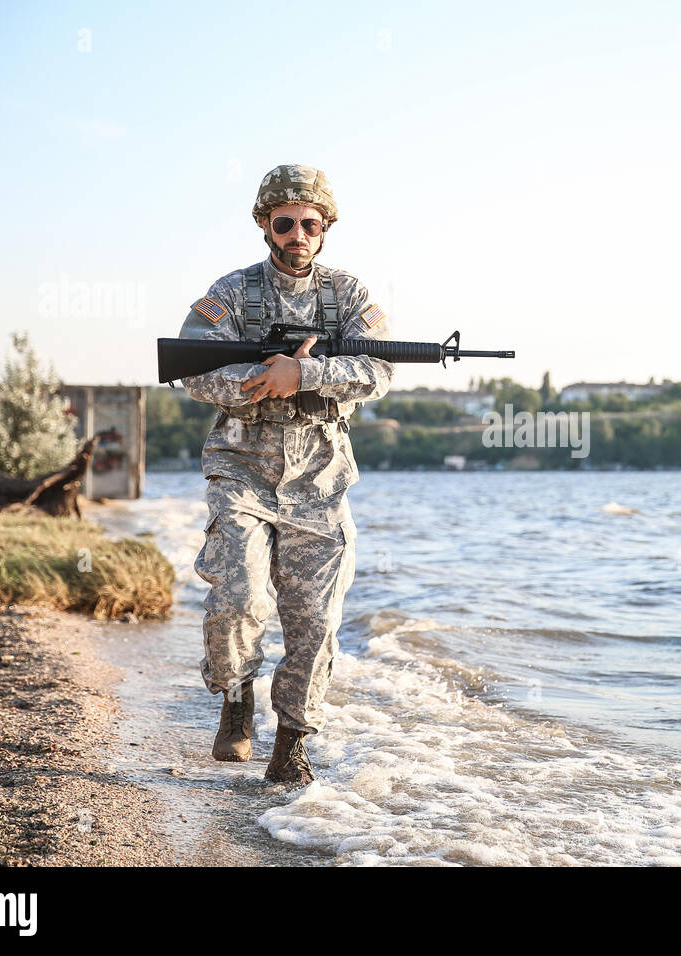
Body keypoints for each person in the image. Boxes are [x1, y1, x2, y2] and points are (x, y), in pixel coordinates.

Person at [177, 164, 394, 785]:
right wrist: (258, 380)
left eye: (309, 222)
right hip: (242, 468)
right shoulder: (233, 294)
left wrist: (305, 375)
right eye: (284, 222)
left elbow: (378, 371)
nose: (297, 232)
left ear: (324, 229)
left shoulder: (348, 297)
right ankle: (236, 692)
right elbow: (190, 370)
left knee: (316, 619)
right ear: (264, 225)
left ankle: (293, 742)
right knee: (238, 596)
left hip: (320, 479)